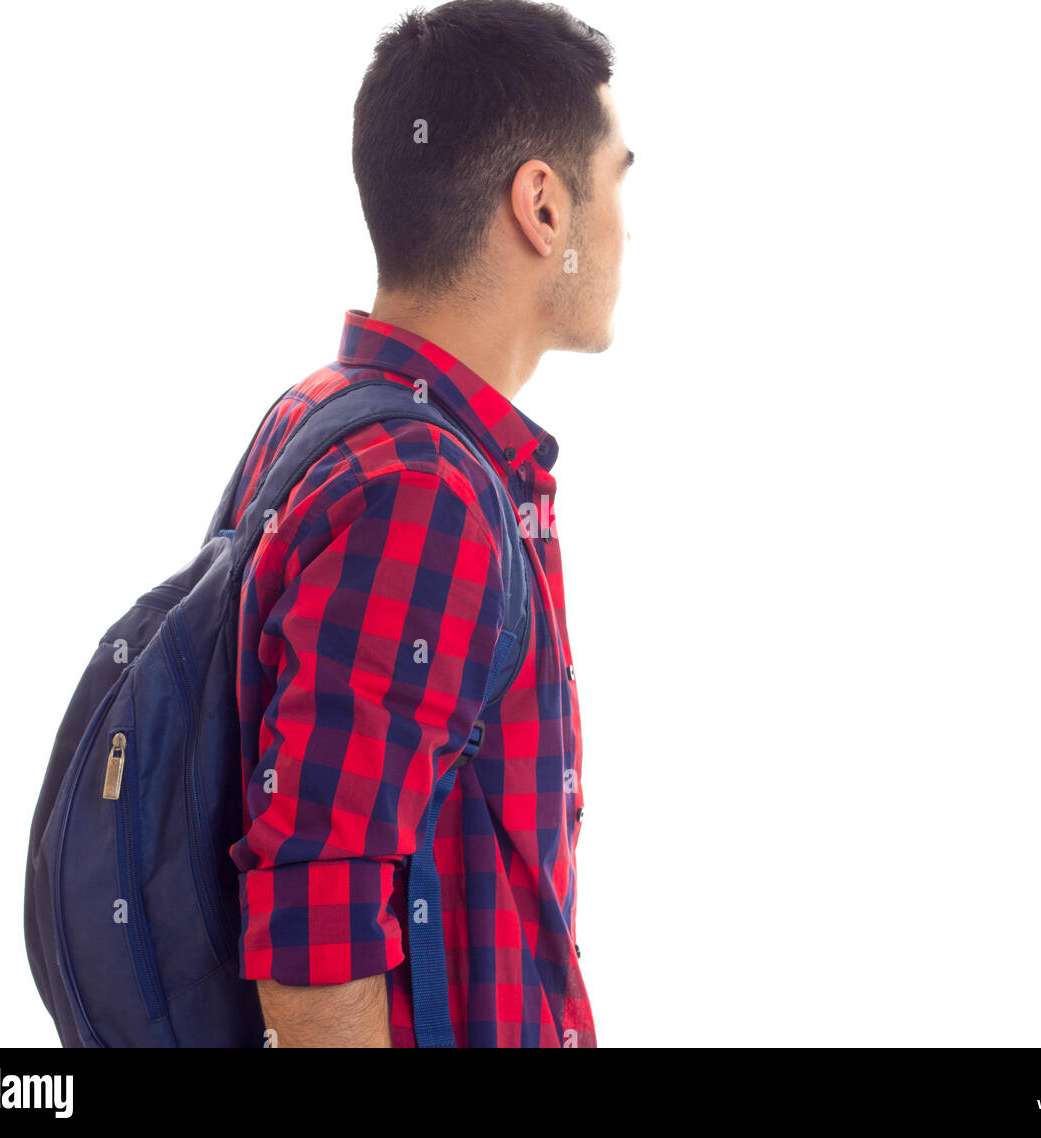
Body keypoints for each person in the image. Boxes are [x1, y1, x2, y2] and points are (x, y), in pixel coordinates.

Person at [225, 0, 631, 1047]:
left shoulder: (319, 414)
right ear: (542, 206)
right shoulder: (424, 486)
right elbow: (315, 946)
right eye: (617, 180)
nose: (627, 225)